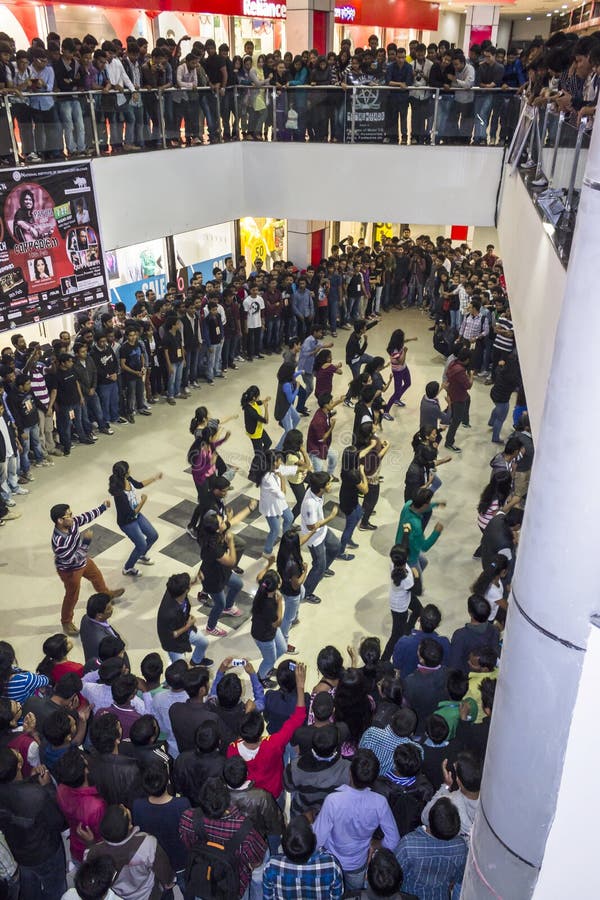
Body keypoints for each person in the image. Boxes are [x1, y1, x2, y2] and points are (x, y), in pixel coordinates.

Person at [313, 748, 401, 891]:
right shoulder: (380, 803)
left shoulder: (333, 800)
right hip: (358, 863)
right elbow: (393, 840)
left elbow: (317, 838)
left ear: (350, 772)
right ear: (374, 778)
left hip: (331, 861)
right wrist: (376, 844)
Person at [226, 662, 307, 799]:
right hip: (274, 791)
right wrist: (300, 686)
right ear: (261, 729)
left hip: (250, 797)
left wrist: (247, 715)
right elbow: (298, 716)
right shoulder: (273, 744)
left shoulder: (232, 749)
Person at [178, 776, 267, 900]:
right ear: (227, 799)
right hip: (233, 884)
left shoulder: (188, 818)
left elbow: (187, 844)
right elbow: (256, 860)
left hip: (201, 878)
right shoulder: (243, 828)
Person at [0, 745, 68, 899]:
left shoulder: (27, 792)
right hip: (45, 852)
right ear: (19, 765)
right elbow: (60, 822)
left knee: (30, 886)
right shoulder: (37, 795)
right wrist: (48, 787)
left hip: (18, 851)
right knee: (55, 887)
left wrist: (30, 780)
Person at [50, 500, 124, 636]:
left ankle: (106, 595)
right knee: (72, 596)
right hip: (70, 571)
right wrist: (86, 542)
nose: (72, 517)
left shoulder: (72, 523)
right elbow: (72, 559)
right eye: (69, 515)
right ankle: (66, 621)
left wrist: (102, 507)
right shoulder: (58, 542)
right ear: (60, 520)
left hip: (83, 561)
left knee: (97, 576)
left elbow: (85, 517)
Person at [85, 803, 174, 898]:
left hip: (118, 895)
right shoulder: (147, 843)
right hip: (147, 894)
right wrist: (168, 882)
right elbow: (163, 868)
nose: (123, 805)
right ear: (129, 825)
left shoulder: (94, 852)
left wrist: (90, 843)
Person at [131, 764, 190, 893]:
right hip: (180, 859)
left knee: (163, 891)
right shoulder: (182, 804)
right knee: (186, 889)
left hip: (155, 861)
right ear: (167, 781)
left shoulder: (137, 806)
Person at [395, 797, 467, 899]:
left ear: (429, 819)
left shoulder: (408, 844)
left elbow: (394, 876)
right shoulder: (460, 846)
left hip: (409, 895)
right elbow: (458, 878)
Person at [263, 814, 344, 900]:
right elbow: (336, 897)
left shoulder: (271, 866)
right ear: (314, 841)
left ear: (284, 844)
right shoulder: (331, 865)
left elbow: (268, 897)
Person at [54, 747, 107, 867]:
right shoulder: (96, 807)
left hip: (76, 847)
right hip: (93, 853)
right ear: (86, 770)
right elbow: (102, 837)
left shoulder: (61, 790)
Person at [108, 461, 161, 578]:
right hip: (127, 522)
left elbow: (138, 485)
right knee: (141, 545)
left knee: (153, 536)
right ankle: (128, 568)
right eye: (129, 469)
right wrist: (143, 501)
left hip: (137, 515)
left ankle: (141, 554)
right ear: (125, 473)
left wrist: (154, 478)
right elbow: (131, 514)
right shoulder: (120, 494)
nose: (130, 470)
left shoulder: (127, 479)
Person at [199, 510, 244, 637]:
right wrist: (231, 542)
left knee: (238, 585)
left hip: (222, 571)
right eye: (221, 522)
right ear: (217, 529)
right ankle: (210, 627)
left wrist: (229, 518)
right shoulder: (213, 547)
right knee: (219, 604)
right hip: (212, 579)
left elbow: (230, 523)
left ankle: (228, 608)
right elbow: (231, 562)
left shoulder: (212, 533)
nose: (223, 522)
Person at [420, 751, 481, 843]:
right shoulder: (493, 798)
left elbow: (425, 817)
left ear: (458, 780)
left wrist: (446, 786)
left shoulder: (447, 803)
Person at [300, 472, 342, 604]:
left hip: (323, 531)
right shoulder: (310, 504)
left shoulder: (316, 492)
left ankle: (323, 569)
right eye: (328, 484)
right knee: (318, 565)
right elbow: (312, 527)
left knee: (336, 547)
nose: (331, 485)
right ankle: (306, 593)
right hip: (314, 538)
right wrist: (331, 517)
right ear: (320, 488)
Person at [156, 572, 212, 667]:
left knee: (203, 643)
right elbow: (170, 635)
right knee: (180, 666)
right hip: (174, 643)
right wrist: (188, 626)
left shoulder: (173, 590)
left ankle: (196, 660)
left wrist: (195, 580)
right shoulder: (167, 614)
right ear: (186, 590)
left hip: (184, 628)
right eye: (189, 584)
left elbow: (183, 586)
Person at [252, 449, 295, 557]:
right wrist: (282, 479)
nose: (281, 462)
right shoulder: (267, 479)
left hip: (279, 503)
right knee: (275, 529)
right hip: (270, 507)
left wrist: (304, 468)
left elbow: (288, 469)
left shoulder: (275, 468)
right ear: (274, 462)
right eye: (280, 460)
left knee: (289, 518)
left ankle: (286, 539)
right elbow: (282, 494)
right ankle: (267, 551)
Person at [382, 534, 417, 662]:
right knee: (396, 635)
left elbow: (402, 548)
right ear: (406, 558)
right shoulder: (408, 579)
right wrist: (417, 575)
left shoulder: (394, 562)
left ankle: (407, 631)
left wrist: (406, 533)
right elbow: (418, 590)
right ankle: (383, 660)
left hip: (401, 596)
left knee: (418, 609)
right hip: (400, 607)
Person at [251, 564, 287, 687]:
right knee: (269, 659)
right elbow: (278, 622)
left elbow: (259, 576)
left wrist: (269, 564)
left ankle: (268, 668)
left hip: (267, 628)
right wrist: (280, 603)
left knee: (282, 648)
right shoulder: (269, 605)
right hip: (264, 636)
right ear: (277, 585)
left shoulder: (263, 587)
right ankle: (261, 677)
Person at [392, 604, 451, 678]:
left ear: (419, 619)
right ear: (437, 625)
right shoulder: (445, 643)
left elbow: (396, 667)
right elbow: (446, 665)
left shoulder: (403, 642)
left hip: (407, 682)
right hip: (436, 682)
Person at [276, 528, 311, 651]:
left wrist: (312, 532)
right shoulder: (293, 565)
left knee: (302, 593)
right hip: (292, 593)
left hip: (284, 586)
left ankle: (294, 617)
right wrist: (305, 571)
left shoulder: (283, 553)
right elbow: (297, 585)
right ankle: (283, 644)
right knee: (287, 619)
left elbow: (301, 541)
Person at [448, 595, 501, 673]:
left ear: (470, 613)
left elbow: (454, 666)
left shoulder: (460, 636)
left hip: (466, 677)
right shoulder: (495, 630)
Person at [443, 347, 473, 452]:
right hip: (458, 396)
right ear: (467, 359)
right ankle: (449, 442)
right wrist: (471, 376)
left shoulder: (453, 363)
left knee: (468, 399)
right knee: (456, 420)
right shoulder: (460, 371)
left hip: (452, 391)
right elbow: (468, 385)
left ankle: (465, 420)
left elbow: (447, 375)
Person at [383, 328, 416, 419]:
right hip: (398, 371)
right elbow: (401, 361)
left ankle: (397, 399)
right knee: (397, 391)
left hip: (404, 368)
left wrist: (412, 339)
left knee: (408, 383)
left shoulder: (398, 343)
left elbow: (404, 341)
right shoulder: (394, 350)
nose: (404, 339)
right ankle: (386, 411)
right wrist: (405, 352)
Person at [241, 385, 272, 452]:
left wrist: (265, 400)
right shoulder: (251, 411)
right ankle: (260, 457)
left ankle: (262, 455)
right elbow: (266, 421)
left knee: (268, 443)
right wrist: (266, 408)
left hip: (259, 428)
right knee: (258, 453)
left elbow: (258, 402)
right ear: (254, 398)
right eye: (258, 396)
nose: (259, 396)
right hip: (255, 434)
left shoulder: (251, 402)